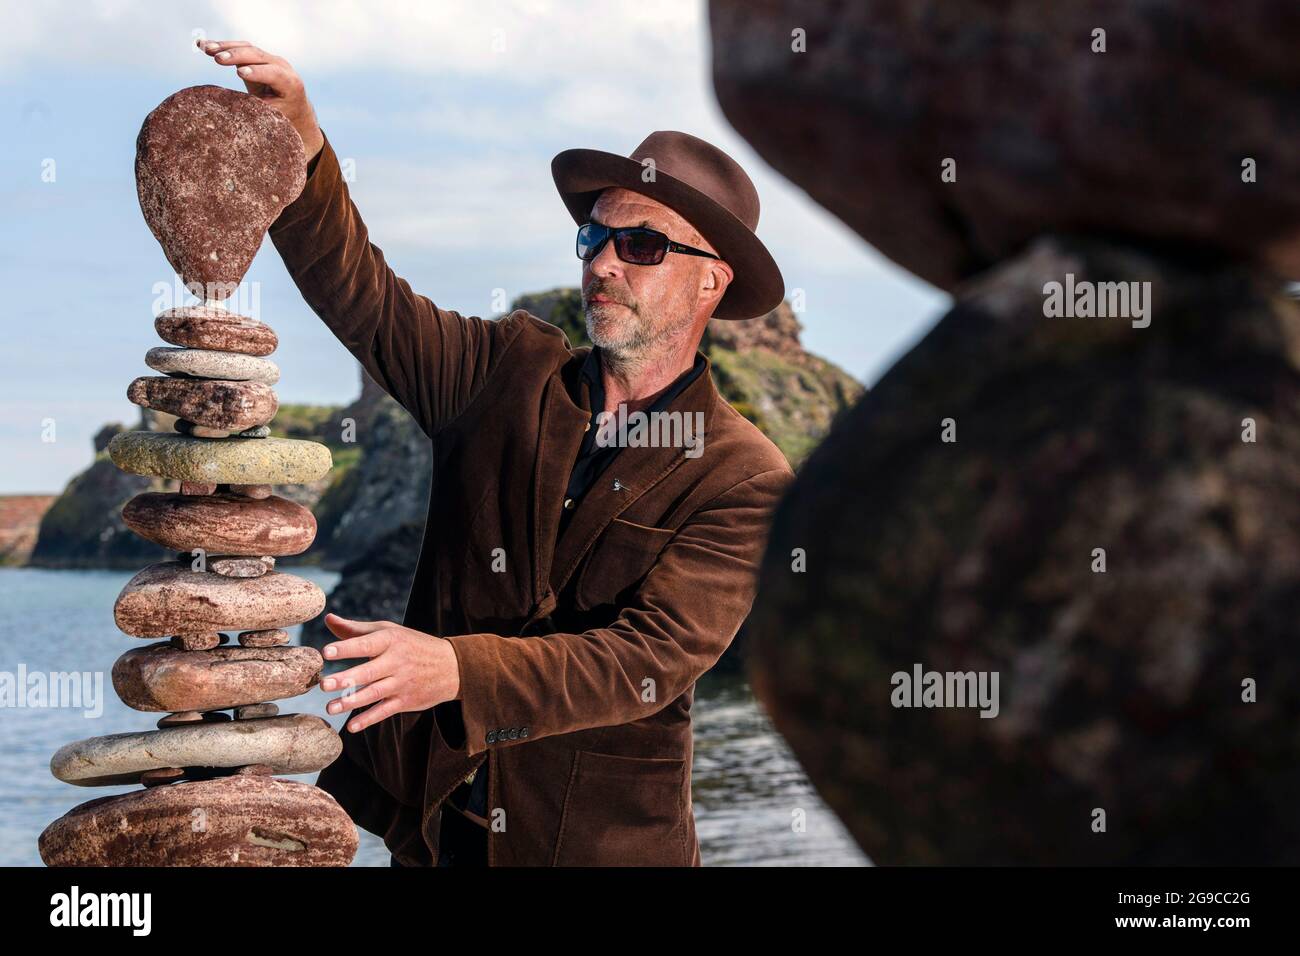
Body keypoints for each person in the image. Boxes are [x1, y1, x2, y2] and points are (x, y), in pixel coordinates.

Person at [200, 39, 794, 866]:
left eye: (643, 246)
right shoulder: (501, 370)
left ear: (711, 282)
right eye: (595, 238)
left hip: (604, 848)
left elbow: (644, 661)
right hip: (430, 833)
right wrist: (303, 141)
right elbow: (364, 298)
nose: (605, 263)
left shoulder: (748, 477)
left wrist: (453, 671)